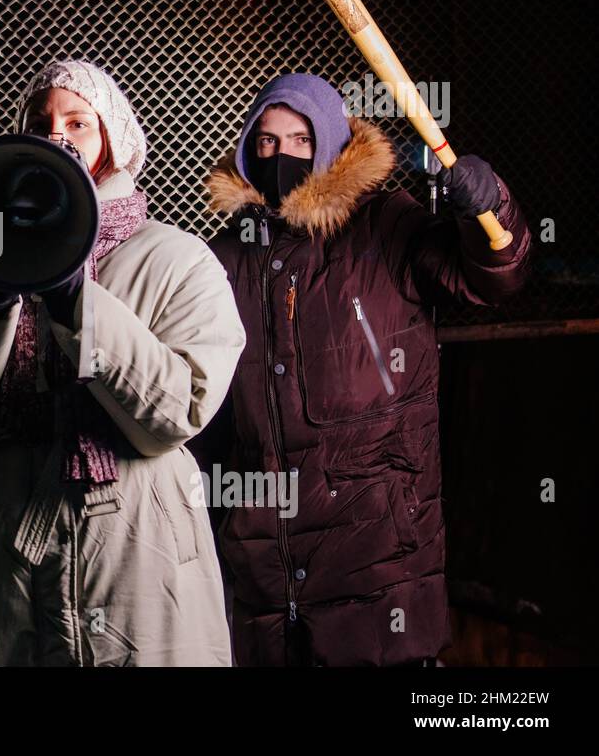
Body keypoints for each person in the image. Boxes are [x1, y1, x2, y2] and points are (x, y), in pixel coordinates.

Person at [0, 59, 245, 665]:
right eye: (40, 121)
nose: (57, 136)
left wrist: (73, 299)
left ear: (113, 140)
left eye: (79, 123)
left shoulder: (177, 259)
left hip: (135, 543)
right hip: (1, 543)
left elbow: (176, 414)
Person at [203, 72, 530, 666]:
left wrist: (490, 208)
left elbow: (491, 274)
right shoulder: (225, 256)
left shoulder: (385, 226)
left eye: (299, 139)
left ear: (328, 144)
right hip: (267, 585)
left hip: (379, 565)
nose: (281, 155)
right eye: (267, 142)